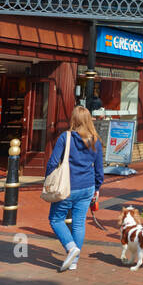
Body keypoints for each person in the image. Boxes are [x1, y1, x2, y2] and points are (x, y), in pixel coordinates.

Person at [46, 105, 106, 270]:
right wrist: (97, 188)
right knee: (79, 223)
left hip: (68, 186)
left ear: (73, 119)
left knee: (55, 219)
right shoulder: (95, 140)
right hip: (87, 186)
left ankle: (71, 248)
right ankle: (74, 262)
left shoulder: (65, 137)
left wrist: (48, 181)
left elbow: (52, 162)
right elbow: (99, 169)